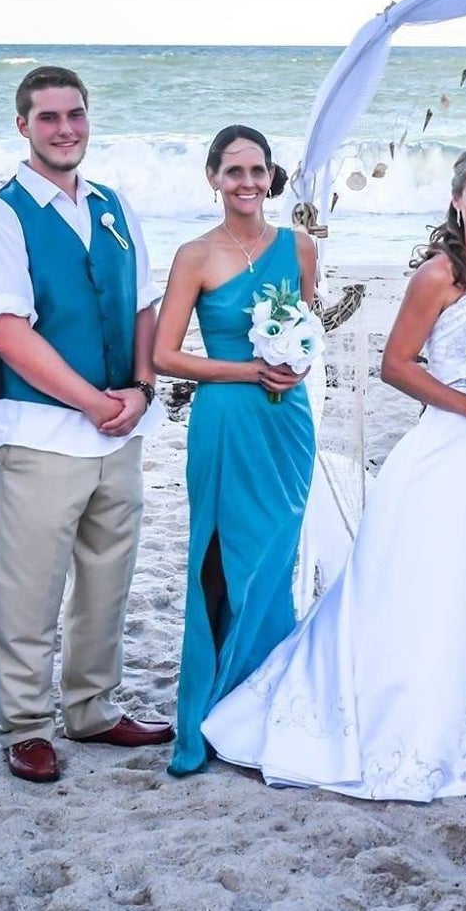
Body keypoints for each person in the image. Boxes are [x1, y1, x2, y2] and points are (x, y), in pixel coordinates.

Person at [201, 147, 466, 800]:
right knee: (430, 588)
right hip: (448, 448)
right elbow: (397, 365)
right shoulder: (437, 275)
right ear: (456, 202)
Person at [0, 65, 171, 785]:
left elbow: (143, 304)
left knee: (108, 579)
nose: (65, 129)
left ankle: (93, 708)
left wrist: (141, 387)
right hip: (39, 432)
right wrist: (90, 401)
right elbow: (7, 330)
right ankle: (25, 726)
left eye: (74, 114)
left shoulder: (114, 205)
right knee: (30, 588)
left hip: (120, 428)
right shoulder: (0, 217)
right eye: (48, 117)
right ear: (23, 125)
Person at [155, 125, 318, 777]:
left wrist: (295, 365)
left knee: (276, 552)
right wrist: (248, 370)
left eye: (257, 170)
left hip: (286, 421)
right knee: (221, 559)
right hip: (225, 418)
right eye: (234, 171)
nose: (247, 182)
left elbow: (306, 332)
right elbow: (165, 355)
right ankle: (214, 702)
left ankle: (265, 702)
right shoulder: (195, 255)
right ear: (213, 178)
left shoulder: (299, 247)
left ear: (271, 176)